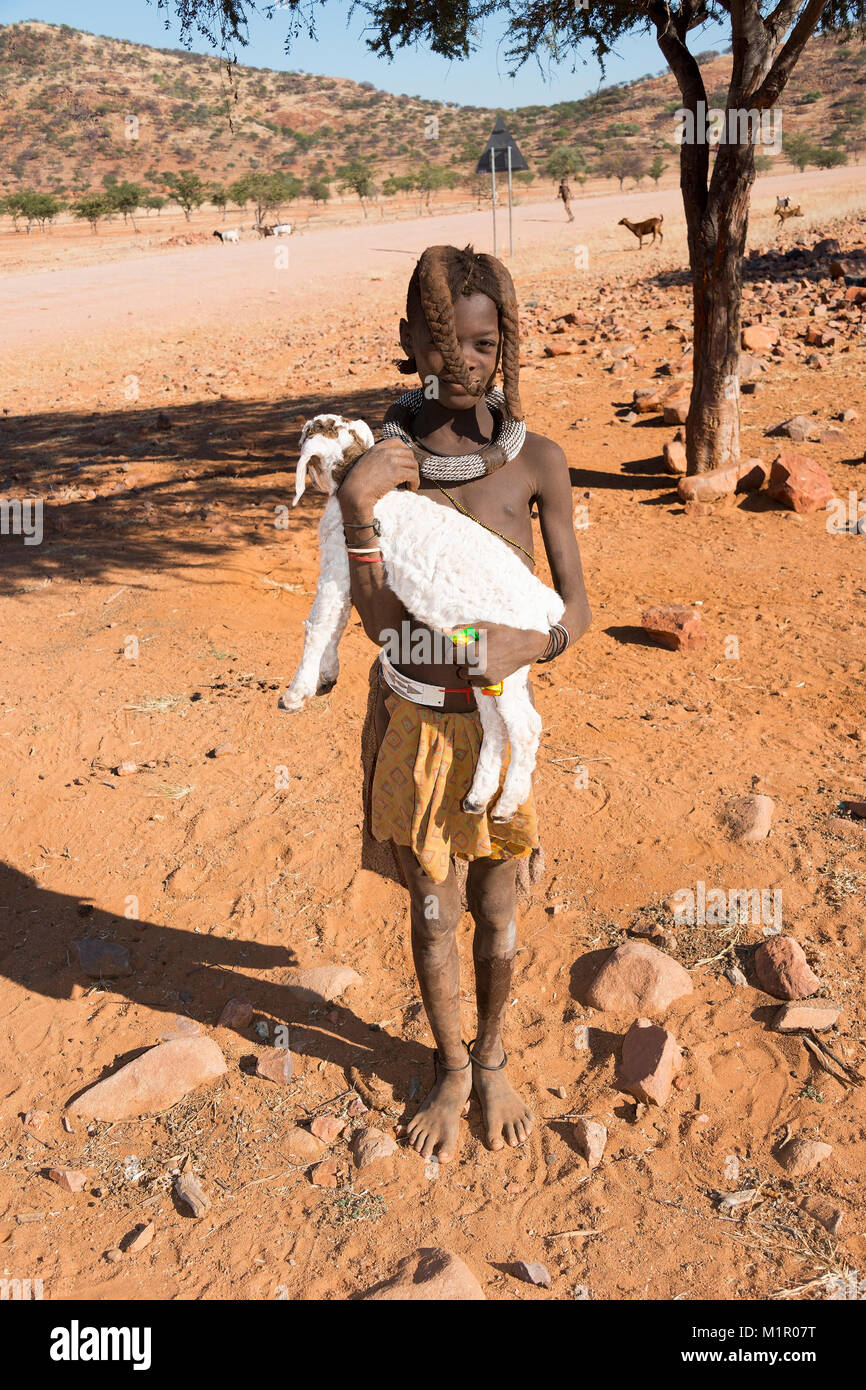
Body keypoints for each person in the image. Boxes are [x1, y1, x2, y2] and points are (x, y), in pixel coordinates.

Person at [337, 244, 591, 1163]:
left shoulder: (537, 466)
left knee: (498, 902)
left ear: (505, 345)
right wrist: (360, 509)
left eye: (483, 345)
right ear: (408, 343)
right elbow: (374, 625)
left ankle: (492, 1061)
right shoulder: (379, 465)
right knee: (433, 909)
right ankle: (449, 1068)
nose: (463, 363)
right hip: (416, 721)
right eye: (442, 345)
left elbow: (578, 608)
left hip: (499, 729)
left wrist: (539, 641)